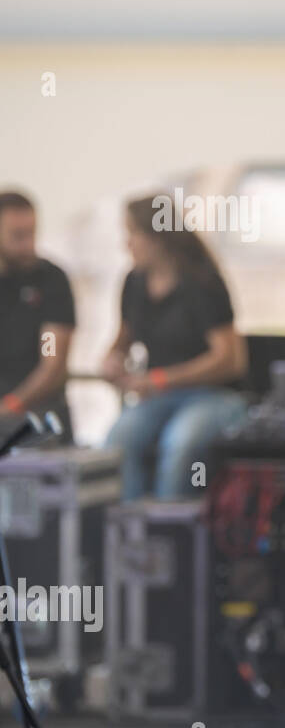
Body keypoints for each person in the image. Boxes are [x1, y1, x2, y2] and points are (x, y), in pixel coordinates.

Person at [101, 194, 248, 500]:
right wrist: (112, 359)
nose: (126, 244)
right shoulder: (134, 283)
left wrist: (162, 379)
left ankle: (170, 528)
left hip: (213, 397)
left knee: (181, 442)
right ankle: (131, 529)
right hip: (157, 398)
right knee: (118, 439)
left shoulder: (202, 283)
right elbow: (123, 339)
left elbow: (230, 360)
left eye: (132, 234)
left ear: (156, 238)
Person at [0, 191, 76, 442]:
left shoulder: (50, 281)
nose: (28, 244)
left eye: (32, 233)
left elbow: (51, 361)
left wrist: (11, 405)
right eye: (17, 236)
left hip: (37, 410)